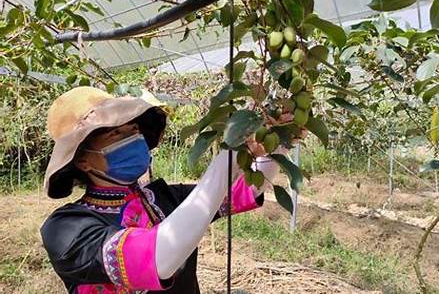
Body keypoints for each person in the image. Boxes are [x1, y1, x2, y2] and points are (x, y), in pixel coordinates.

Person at [40, 87, 283, 293]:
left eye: (133, 129)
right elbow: (156, 258)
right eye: (115, 133)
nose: (132, 137)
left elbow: (243, 191)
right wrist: (225, 162)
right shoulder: (65, 228)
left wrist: (281, 142)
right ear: (82, 161)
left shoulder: (163, 197)